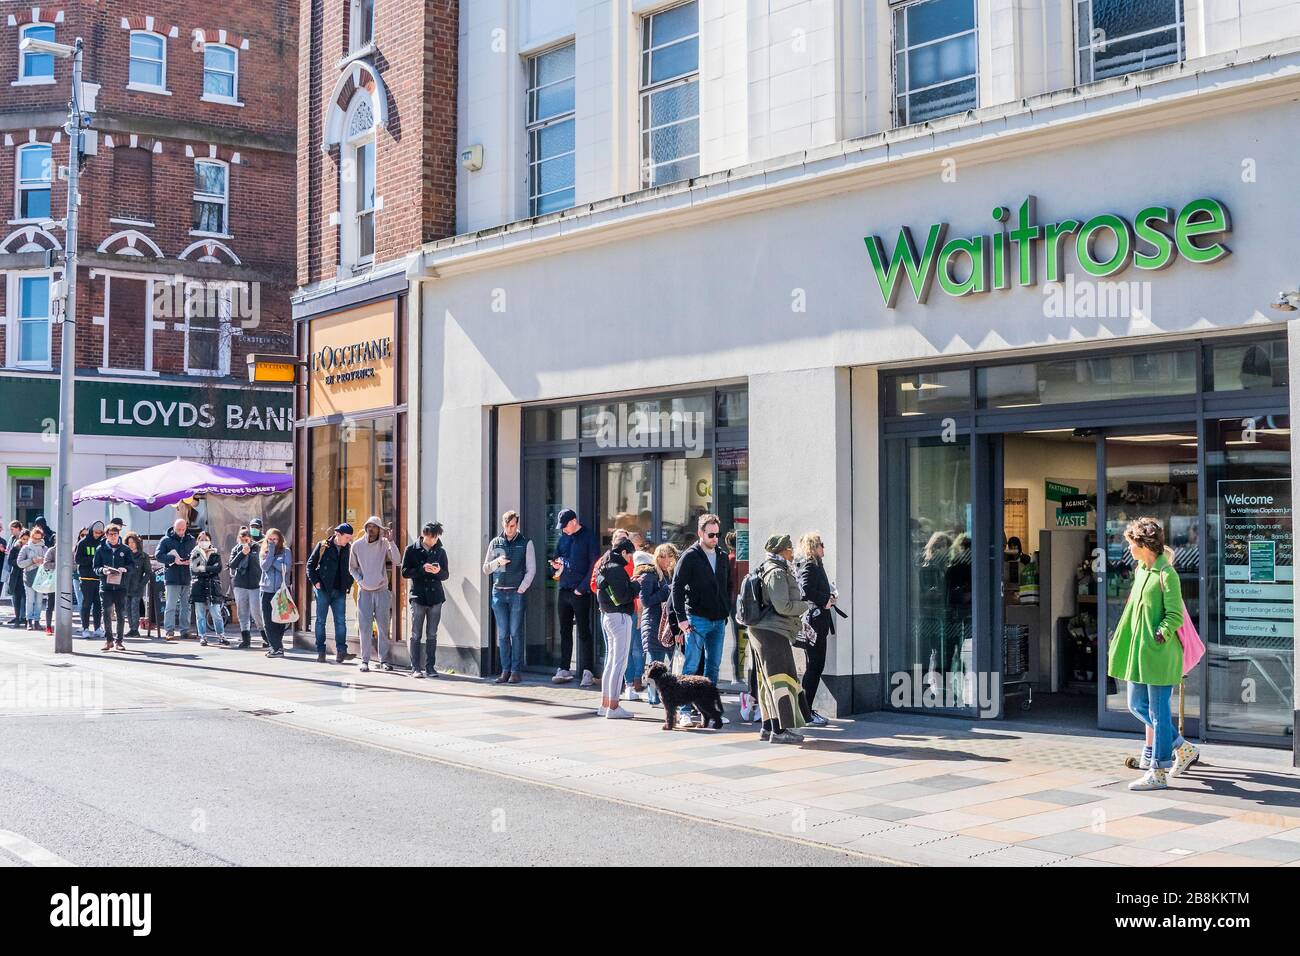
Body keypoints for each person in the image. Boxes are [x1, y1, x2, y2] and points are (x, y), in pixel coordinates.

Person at [1108, 516, 1194, 791]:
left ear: (1143, 544)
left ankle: (1158, 772)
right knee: (1136, 705)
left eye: (1131, 544)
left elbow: (1175, 615)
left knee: (1158, 714)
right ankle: (1183, 747)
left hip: (1159, 653)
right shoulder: (1141, 571)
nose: (1128, 549)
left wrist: (1162, 632)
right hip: (1138, 653)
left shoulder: (1166, 574)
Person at [749, 534, 807, 744]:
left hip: (764, 631)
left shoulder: (768, 567)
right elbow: (783, 606)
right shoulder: (776, 572)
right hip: (773, 632)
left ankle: (767, 728)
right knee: (781, 680)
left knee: (767, 682)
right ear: (783, 551)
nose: (793, 552)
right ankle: (781, 732)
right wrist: (805, 605)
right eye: (790, 548)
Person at [670, 513, 732, 695]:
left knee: (713, 667)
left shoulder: (722, 556)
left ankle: (708, 710)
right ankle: (684, 711)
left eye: (717, 535)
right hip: (696, 619)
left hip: (719, 619)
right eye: (710, 535)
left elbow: (728, 585)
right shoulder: (690, 556)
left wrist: (725, 609)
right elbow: (677, 587)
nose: (715, 539)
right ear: (700, 533)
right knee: (691, 666)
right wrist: (681, 618)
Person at [548, 508, 600, 686]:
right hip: (564, 590)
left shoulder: (588, 537)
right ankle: (564, 668)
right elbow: (555, 559)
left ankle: (587, 671)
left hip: (580, 592)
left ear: (573, 521)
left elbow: (594, 564)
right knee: (564, 631)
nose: (563, 530)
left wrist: (582, 588)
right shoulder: (563, 539)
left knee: (584, 632)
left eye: (565, 526)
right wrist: (554, 565)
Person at [482, 510, 534, 683]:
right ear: (502, 525)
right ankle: (505, 670)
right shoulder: (495, 542)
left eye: (513, 526)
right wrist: (497, 562)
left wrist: (521, 589)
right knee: (503, 634)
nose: (510, 529)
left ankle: (515, 671)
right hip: (498, 593)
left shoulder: (526, 543)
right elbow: (485, 569)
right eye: (507, 526)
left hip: (516, 593)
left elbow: (531, 569)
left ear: (517, 524)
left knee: (515, 632)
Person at [348, 516, 401, 672]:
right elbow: (352, 568)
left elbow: (397, 561)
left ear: (379, 529)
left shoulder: (384, 544)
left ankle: (384, 660)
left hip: (382, 591)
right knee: (364, 628)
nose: (370, 529)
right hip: (364, 592)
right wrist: (361, 581)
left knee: (383, 628)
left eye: (374, 527)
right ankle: (364, 660)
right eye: (368, 526)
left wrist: (391, 542)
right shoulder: (356, 546)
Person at [594, 537, 638, 719]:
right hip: (620, 618)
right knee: (620, 663)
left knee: (611, 662)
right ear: (623, 552)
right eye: (630, 555)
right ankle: (613, 707)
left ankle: (605, 704)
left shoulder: (604, 566)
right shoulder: (617, 570)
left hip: (607, 616)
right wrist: (636, 585)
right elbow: (623, 596)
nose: (630, 559)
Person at [795, 532, 835, 727]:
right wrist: (824, 600)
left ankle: (805, 710)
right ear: (814, 546)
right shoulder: (810, 565)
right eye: (821, 544)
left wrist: (829, 596)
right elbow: (805, 590)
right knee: (815, 666)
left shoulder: (815, 564)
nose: (823, 548)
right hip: (815, 623)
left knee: (815, 666)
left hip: (819, 621)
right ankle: (806, 712)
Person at [405, 522, 450, 678]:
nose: (433, 541)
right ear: (424, 534)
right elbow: (405, 572)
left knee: (432, 633)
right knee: (416, 633)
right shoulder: (411, 550)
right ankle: (415, 667)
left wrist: (438, 571)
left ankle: (430, 667)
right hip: (418, 596)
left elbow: (446, 575)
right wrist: (421, 569)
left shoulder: (441, 552)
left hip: (436, 597)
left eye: (436, 537)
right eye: (431, 537)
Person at [636, 543, 679, 706]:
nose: (665, 559)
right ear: (655, 557)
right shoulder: (650, 575)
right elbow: (646, 601)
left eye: (669, 556)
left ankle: (671, 695)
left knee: (675, 663)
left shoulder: (673, 574)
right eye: (661, 556)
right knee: (656, 665)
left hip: (670, 625)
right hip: (654, 624)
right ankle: (653, 697)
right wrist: (665, 591)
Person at [306, 523, 355, 663]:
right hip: (323, 590)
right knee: (320, 621)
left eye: (350, 538)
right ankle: (321, 651)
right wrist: (316, 582)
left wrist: (348, 583)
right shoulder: (323, 546)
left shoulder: (349, 549)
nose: (348, 540)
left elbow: (352, 568)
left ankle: (341, 652)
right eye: (346, 537)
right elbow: (310, 565)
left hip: (339, 591)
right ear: (338, 535)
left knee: (340, 621)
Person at [156, 517, 196, 641]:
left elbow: (197, 555)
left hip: (187, 577)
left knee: (186, 606)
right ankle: (169, 631)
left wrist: (191, 561)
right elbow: (158, 555)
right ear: (174, 528)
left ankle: (185, 630)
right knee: (171, 606)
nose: (181, 532)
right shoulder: (165, 540)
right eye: (178, 529)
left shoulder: (191, 540)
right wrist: (173, 560)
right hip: (172, 577)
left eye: (183, 529)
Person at [94, 525, 132, 651]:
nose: (113, 536)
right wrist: (102, 570)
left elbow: (132, 565)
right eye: (110, 534)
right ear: (106, 535)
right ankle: (108, 640)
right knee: (106, 613)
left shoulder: (125, 549)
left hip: (121, 587)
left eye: (115, 534)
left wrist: (125, 569)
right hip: (106, 587)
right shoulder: (100, 549)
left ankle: (119, 641)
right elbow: (95, 567)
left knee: (121, 614)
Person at [229, 526, 267, 650]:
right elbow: (232, 565)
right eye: (242, 540)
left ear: (250, 539)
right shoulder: (236, 549)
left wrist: (250, 552)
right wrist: (242, 553)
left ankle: (266, 638)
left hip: (255, 585)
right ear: (239, 539)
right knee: (242, 612)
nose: (245, 542)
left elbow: (261, 565)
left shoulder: (257, 547)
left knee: (257, 612)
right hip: (240, 585)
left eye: (247, 540)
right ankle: (246, 639)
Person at [259, 528, 292, 658]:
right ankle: (276, 647)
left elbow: (286, 568)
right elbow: (264, 566)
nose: (272, 541)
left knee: (280, 619)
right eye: (270, 539)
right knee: (267, 620)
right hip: (266, 589)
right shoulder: (264, 551)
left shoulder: (286, 551)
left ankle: (277, 647)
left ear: (280, 539)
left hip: (281, 589)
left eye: (275, 539)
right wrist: (272, 555)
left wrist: (272, 560)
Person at [189, 531, 226, 646]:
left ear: (210, 541)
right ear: (198, 541)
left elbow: (218, 568)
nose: (204, 542)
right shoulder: (195, 553)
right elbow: (195, 570)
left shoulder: (215, 554)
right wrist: (209, 569)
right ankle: (203, 636)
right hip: (198, 587)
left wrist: (203, 568)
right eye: (201, 539)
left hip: (212, 586)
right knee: (200, 614)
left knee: (216, 613)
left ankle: (221, 635)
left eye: (206, 539)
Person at [75, 521, 106, 639]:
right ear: (91, 530)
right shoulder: (82, 543)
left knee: (98, 604)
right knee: (86, 603)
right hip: (86, 577)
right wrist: (94, 560)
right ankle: (85, 628)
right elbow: (78, 559)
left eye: (100, 532)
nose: (98, 534)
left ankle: (98, 628)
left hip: (99, 578)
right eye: (96, 532)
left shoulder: (103, 543)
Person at [122, 532, 151, 637]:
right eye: (129, 542)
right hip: (125, 585)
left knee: (135, 607)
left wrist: (141, 584)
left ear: (137, 543)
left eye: (133, 542)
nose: (131, 544)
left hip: (137, 585)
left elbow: (148, 572)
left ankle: (135, 629)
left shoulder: (143, 556)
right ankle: (131, 628)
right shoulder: (124, 555)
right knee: (127, 608)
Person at [17, 527, 46, 631]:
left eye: (39, 538)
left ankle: (37, 621)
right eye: (35, 538)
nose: (37, 540)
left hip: (41, 578)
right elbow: (19, 563)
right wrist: (32, 560)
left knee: (39, 601)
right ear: (32, 536)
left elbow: (50, 561)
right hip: (29, 577)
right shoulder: (26, 548)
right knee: (30, 600)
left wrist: (43, 561)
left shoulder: (44, 548)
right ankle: (29, 621)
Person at [7, 528, 28, 628]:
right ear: (20, 538)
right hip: (16, 576)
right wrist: (19, 562)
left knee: (27, 598)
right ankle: (17, 618)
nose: (25, 541)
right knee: (17, 599)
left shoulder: (30, 548)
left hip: (27, 576)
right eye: (23, 539)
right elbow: (10, 561)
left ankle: (26, 618)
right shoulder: (15, 548)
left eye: (27, 539)